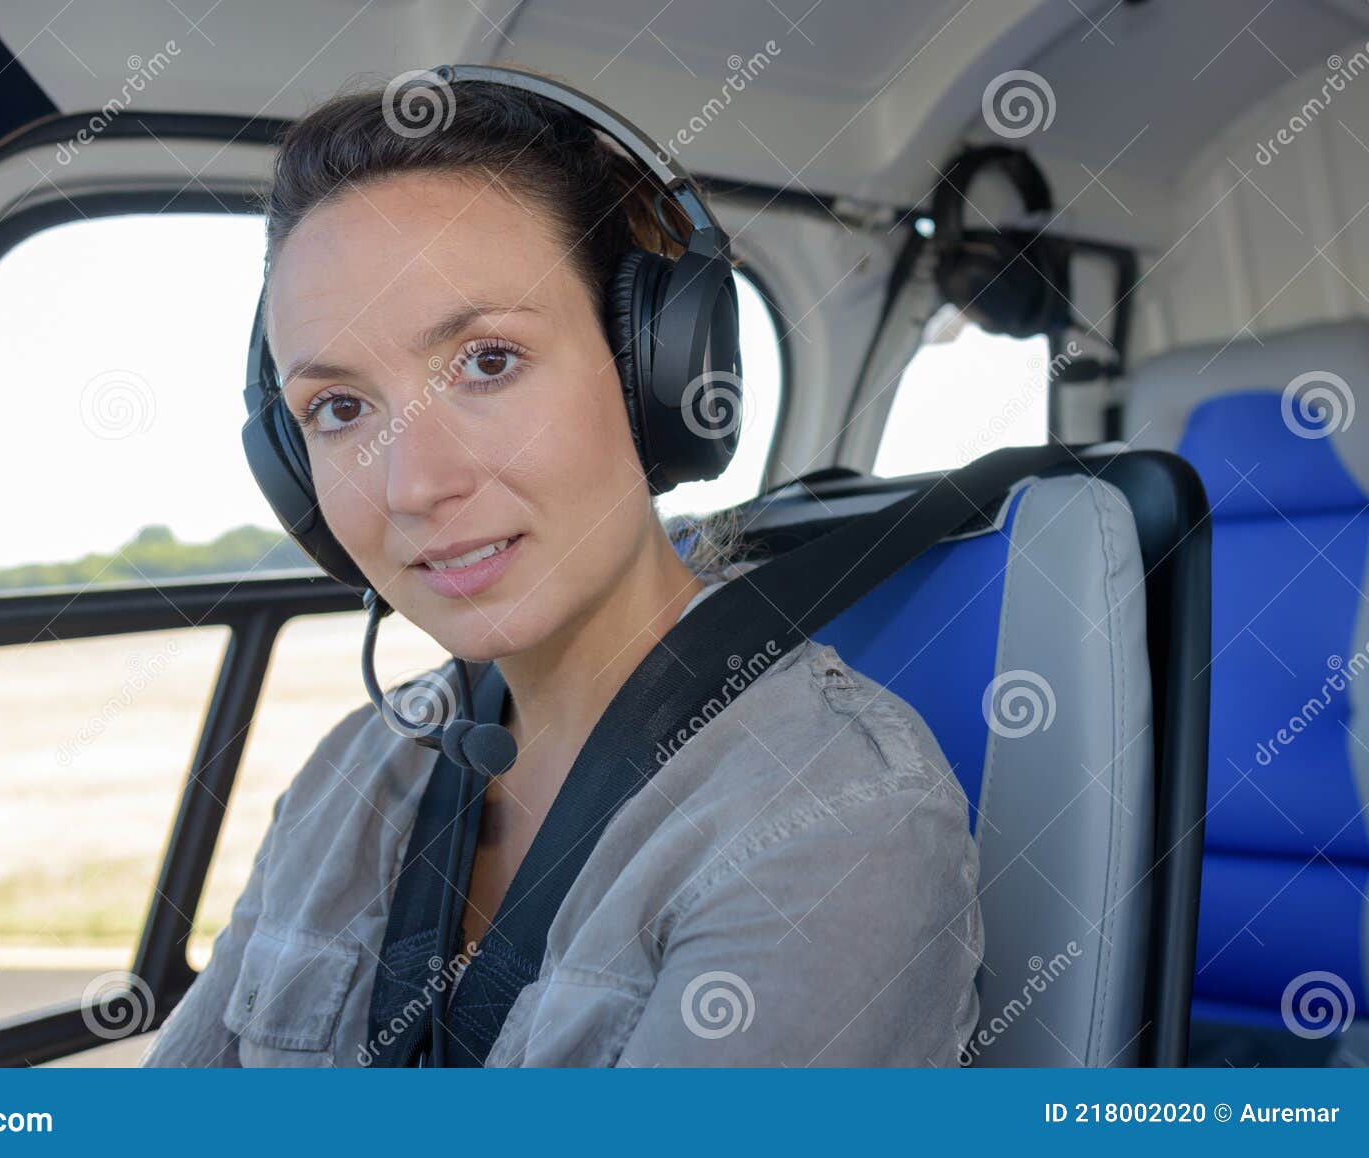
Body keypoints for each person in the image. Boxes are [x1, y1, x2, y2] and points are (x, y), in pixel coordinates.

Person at [141, 70, 981, 1067]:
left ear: (652, 376)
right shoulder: (351, 776)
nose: (414, 483)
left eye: (487, 362)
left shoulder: (833, 825)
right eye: (340, 409)